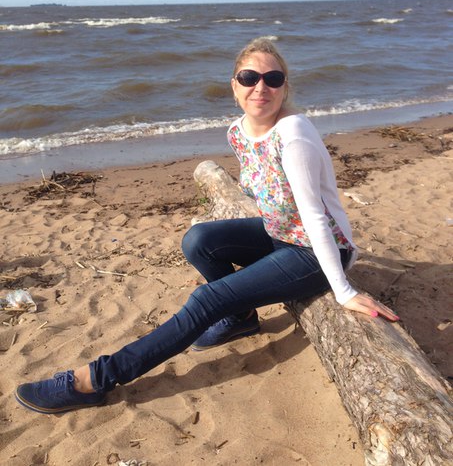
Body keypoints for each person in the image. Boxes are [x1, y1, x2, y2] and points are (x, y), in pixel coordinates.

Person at [15, 37, 399, 414]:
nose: (260, 87)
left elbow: (313, 215)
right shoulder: (238, 132)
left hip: (318, 250)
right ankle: (241, 318)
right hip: (279, 235)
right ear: (234, 86)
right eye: (249, 78)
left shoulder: (293, 134)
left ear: (285, 87)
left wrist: (343, 290)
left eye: (273, 79)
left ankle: (96, 379)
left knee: (206, 300)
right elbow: (263, 188)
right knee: (198, 239)